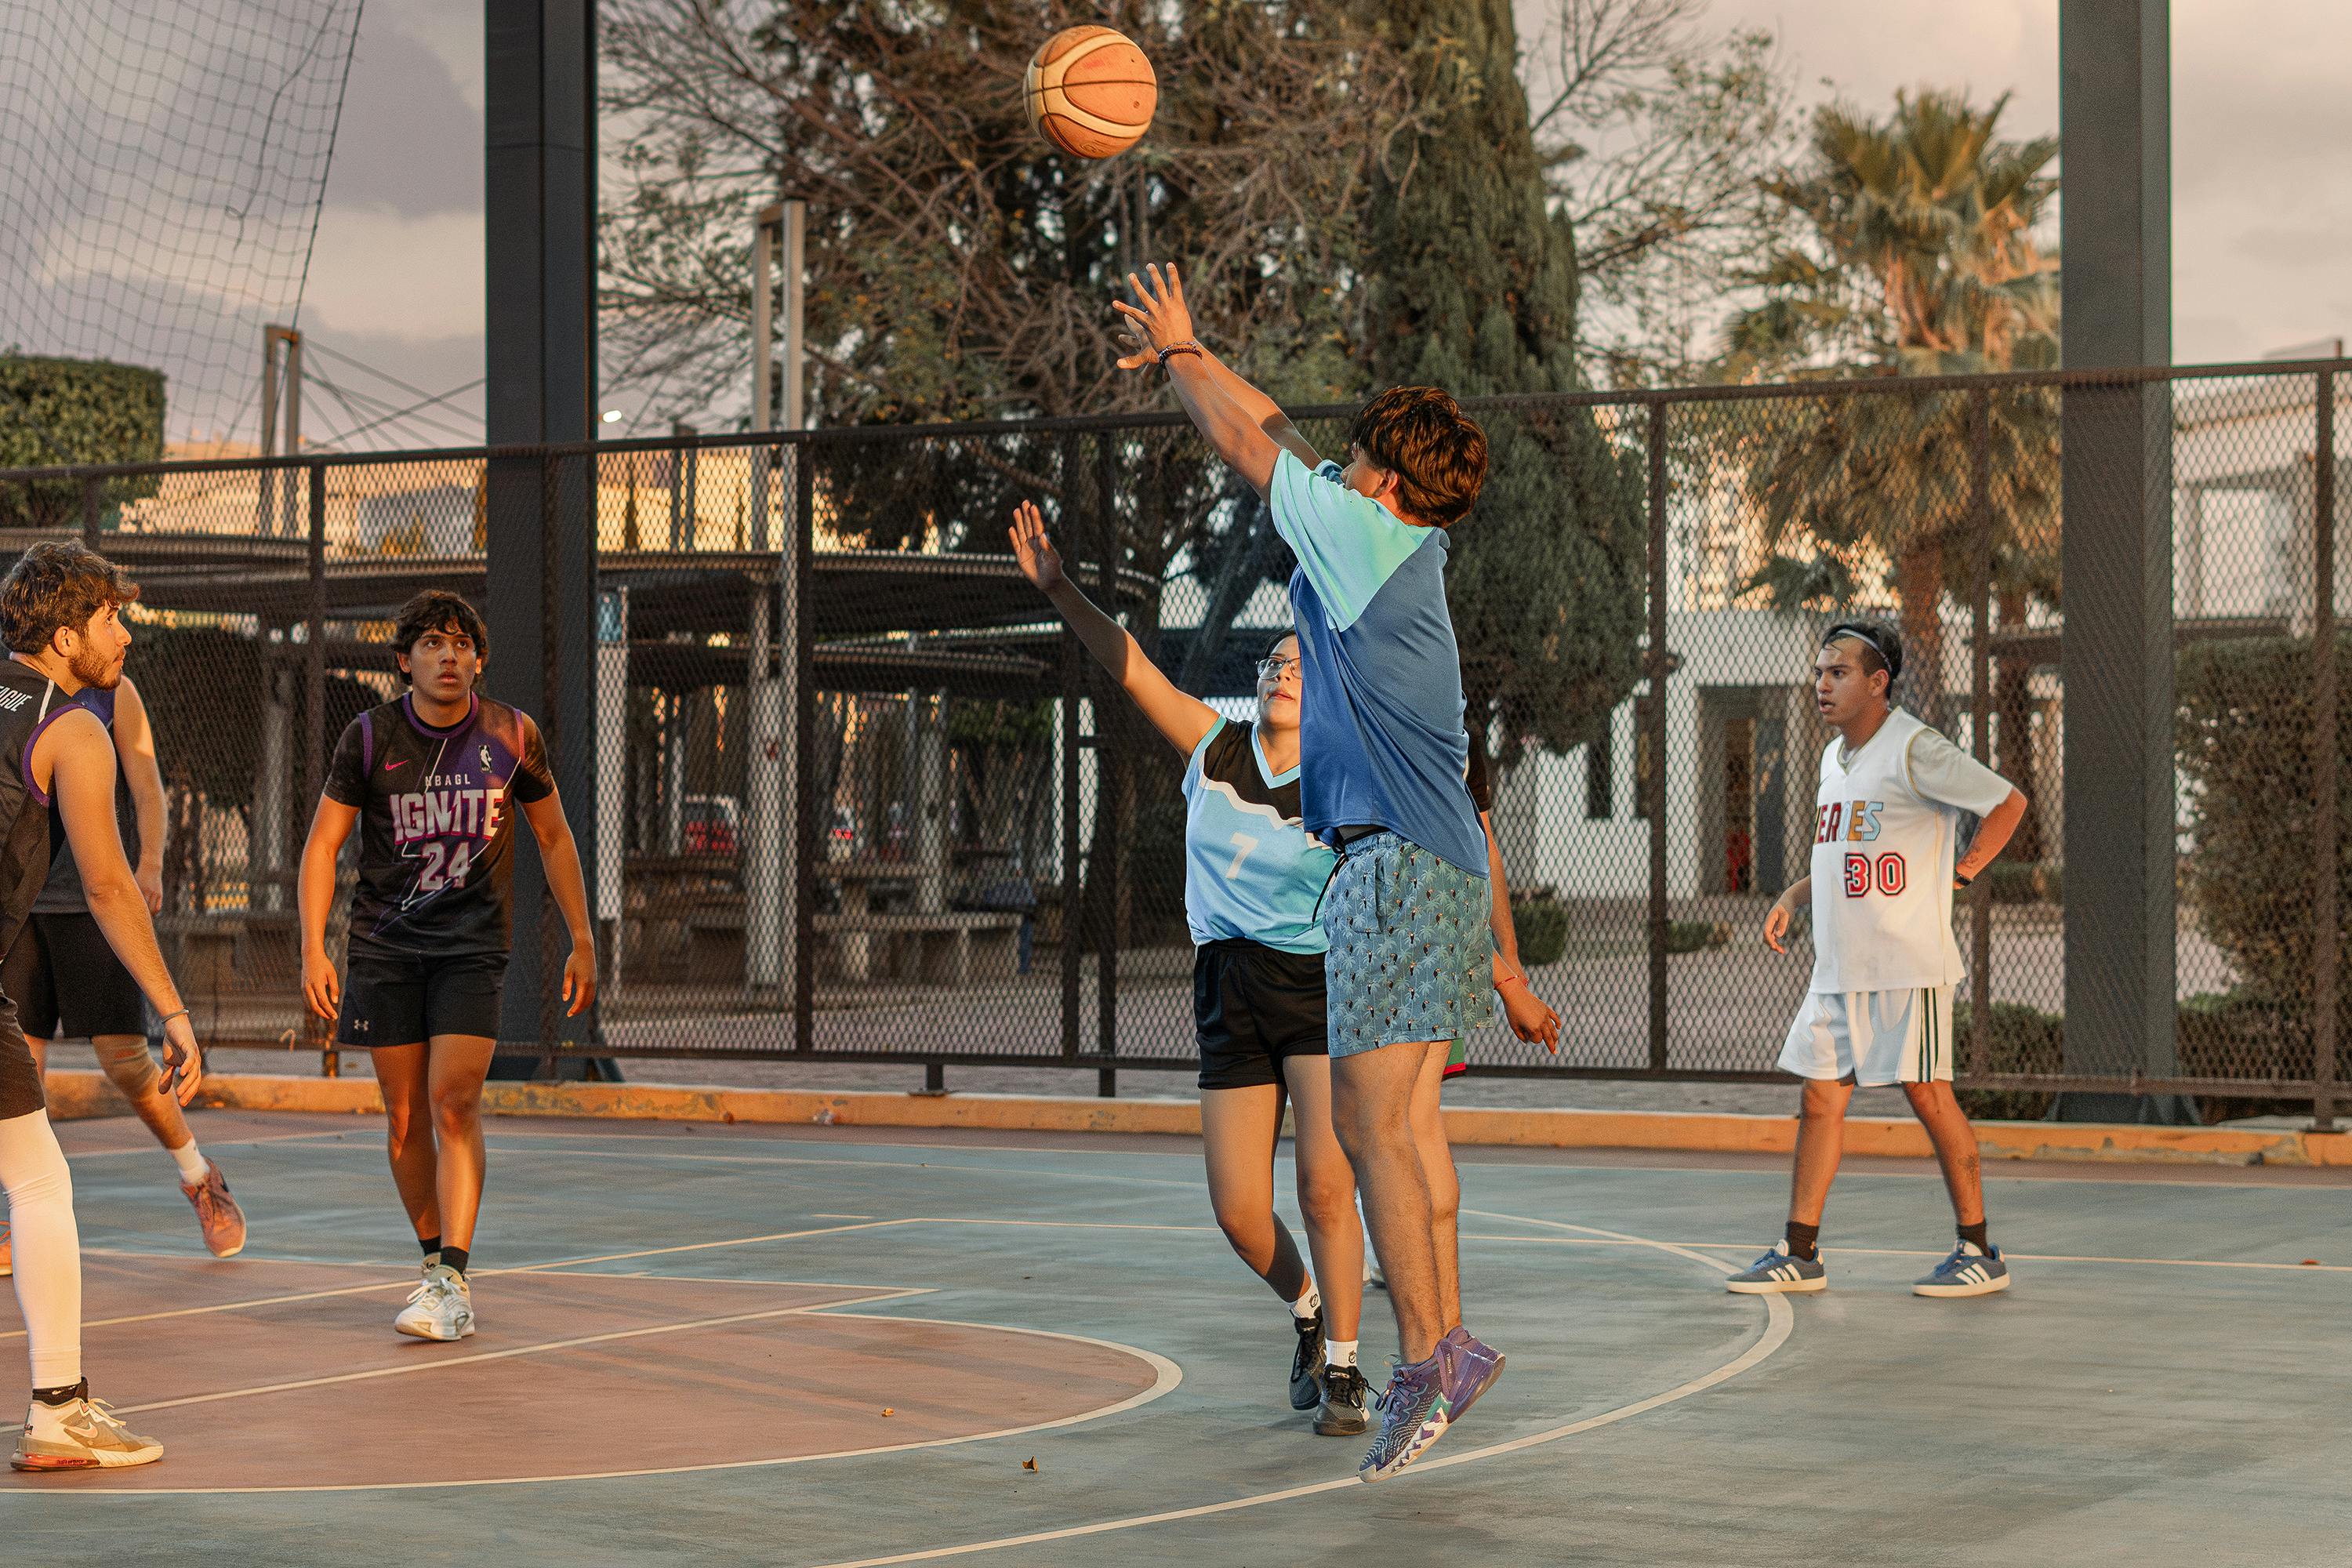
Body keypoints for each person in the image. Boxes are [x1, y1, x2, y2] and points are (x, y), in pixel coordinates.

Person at [1114, 262, 1501, 1482]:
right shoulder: (1395, 540)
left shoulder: (1366, 536)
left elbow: (1247, 441)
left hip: (1392, 863)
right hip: (1438, 861)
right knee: (1412, 1127)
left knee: (1367, 1127)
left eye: (1358, 456)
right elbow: (1278, 430)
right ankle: (1451, 1348)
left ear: (1383, 478)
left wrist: (1178, 360)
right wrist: (1192, 345)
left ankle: (1423, 1364)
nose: (1338, 466)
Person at [1010, 500, 1370, 1437]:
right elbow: (1129, 662)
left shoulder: (1342, 778)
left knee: (1323, 1184)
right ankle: (1307, 1310)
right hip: (1226, 987)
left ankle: (1345, 1365)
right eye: (1273, 663)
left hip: (1313, 986)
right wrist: (1060, 587)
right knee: (1240, 1210)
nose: (1284, 672)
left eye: (1302, 664)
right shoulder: (1214, 746)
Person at [297, 590, 596, 1342]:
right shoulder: (369, 737)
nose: (449, 656)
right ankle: (434, 1265)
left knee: (453, 1102)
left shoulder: (511, 734)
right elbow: (323, 847)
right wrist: (312, 946)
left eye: (462, 644)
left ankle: (454, 1280)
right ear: (405, 661)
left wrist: (583, 937)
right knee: (404, 1118)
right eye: (432, 643)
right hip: (385, 947)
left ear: (479, 660)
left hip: (472, 946)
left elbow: (555, 837)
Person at [1727, 620, 2029, 1299]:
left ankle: (1980, 1250)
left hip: (1905, 966)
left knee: (1929, 1096)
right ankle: (1799, 1252)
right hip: (1839, 967)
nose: (1822, 684)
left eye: (1838, 672)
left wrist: (1963, 871)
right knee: (1819, 1098)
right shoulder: (1834, 760)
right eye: (1819, 672)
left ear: (1877, 682)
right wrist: (1794, 896)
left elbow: (2008, 803)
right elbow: (1842, 852)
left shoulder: (1916, 747)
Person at [0, 541, 203, 1471]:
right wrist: (173, 1009)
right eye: (112, 617)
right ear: (66, 635)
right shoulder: (71, 727)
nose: (126, 634)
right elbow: (111, 885)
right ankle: (57, 1411)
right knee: (41, 1183)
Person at [0, 672, 245, 1275]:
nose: (121, 634)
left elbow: (147, 787)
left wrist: (151, 863)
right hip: (20, 904)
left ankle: (199, 1175)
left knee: (127, 1062)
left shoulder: (114, 693)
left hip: (92, 904)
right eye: (108, 623)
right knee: (20, 1068)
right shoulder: (13, 689)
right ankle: (17, 1214)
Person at [1366, 729, 1563, 1295]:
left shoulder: (1452, 732)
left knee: (1410, 1118)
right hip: (1367, 947)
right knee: (1376, 1123)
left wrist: (1510, 965)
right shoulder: (1368, 724)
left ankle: (1435, 1312)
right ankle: (1406, 1290)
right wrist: (1506, 978)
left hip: (1430, 954)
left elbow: (1478, 848)